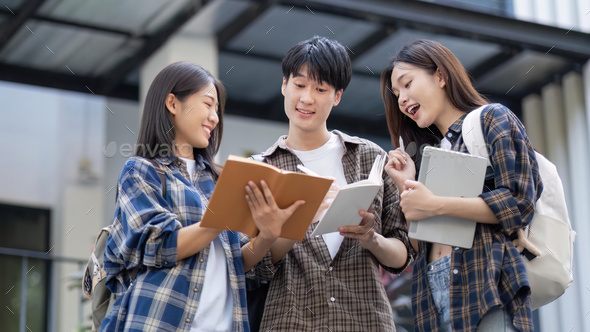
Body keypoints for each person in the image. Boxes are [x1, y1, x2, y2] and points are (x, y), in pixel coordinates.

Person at [100, 62, 303, 332]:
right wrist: (224, 215)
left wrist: (267, 235)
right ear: (173, 103)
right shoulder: (141, 171)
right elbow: (161, 244)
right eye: (208, 105)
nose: (215, 118)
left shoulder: (220, 180)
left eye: (217, 110)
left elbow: (239, 265)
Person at [240, 36, 412, 331]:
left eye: (320, 89)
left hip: (366, 320)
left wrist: (372, 238)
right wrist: (297, 219)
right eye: (299, 85)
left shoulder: (369, 157)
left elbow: (402, 254)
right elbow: (248, 266)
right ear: (284, 85)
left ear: (337, 96)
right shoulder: (259, 169)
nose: (307, 98)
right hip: (290, 322)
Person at [381, 39, 543, 331]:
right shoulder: (430, 153)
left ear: (441, 76)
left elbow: (520, 202)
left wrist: (434, 204)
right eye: (396, 94)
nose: (402, 99)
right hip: (432, 292)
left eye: (407, 84)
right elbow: (419, 246)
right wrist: (408, 185)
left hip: (486, 285)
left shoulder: (493, 118)